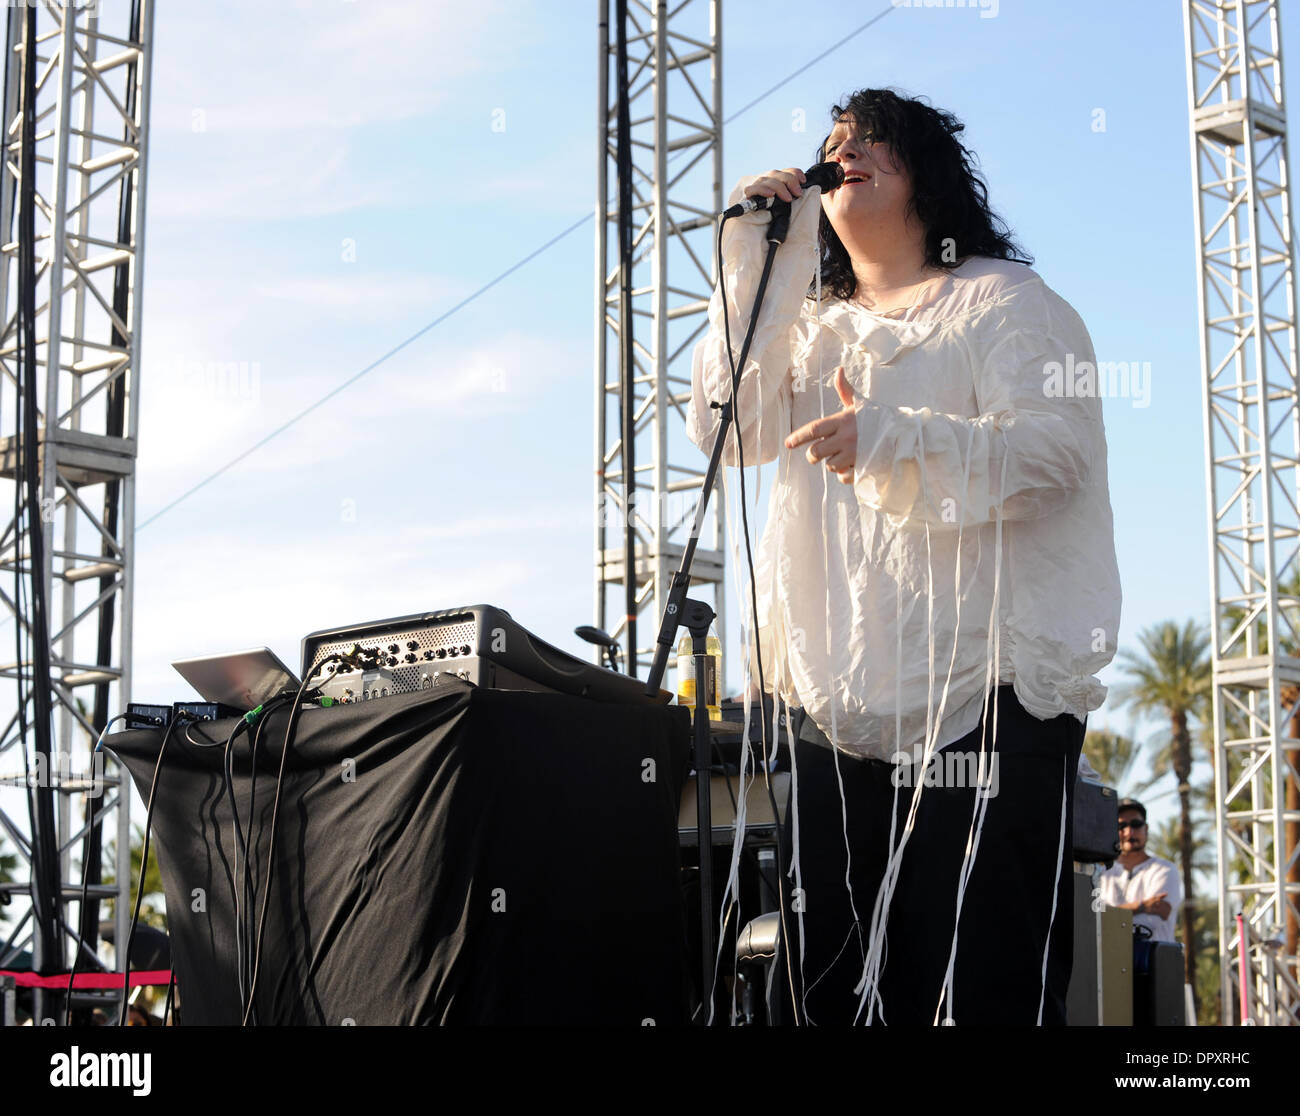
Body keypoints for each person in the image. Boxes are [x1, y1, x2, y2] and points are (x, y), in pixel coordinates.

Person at [686, 88, 1122, 1025]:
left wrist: (891, 439)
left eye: (874, 139)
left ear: (930, 174)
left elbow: (1055, 455)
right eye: (834, 139)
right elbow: (728, 428)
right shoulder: (805, 324)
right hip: (838, 697)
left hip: (986, 691)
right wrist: (756, 262)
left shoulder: (1004, 302)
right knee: (826, 977)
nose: (844, 149)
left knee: (974, 975)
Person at [1098, 798, 1181, 942]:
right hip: (1107, 961)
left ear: (1146, 829)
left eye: (1136, 824)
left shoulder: (1165, 870)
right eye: (1121, 826)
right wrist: (1141, 906)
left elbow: (1147, 924)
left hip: (1152, 961)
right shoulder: (1100, 873)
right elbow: (1093, 919)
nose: (1129, 832)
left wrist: (1109, 915)